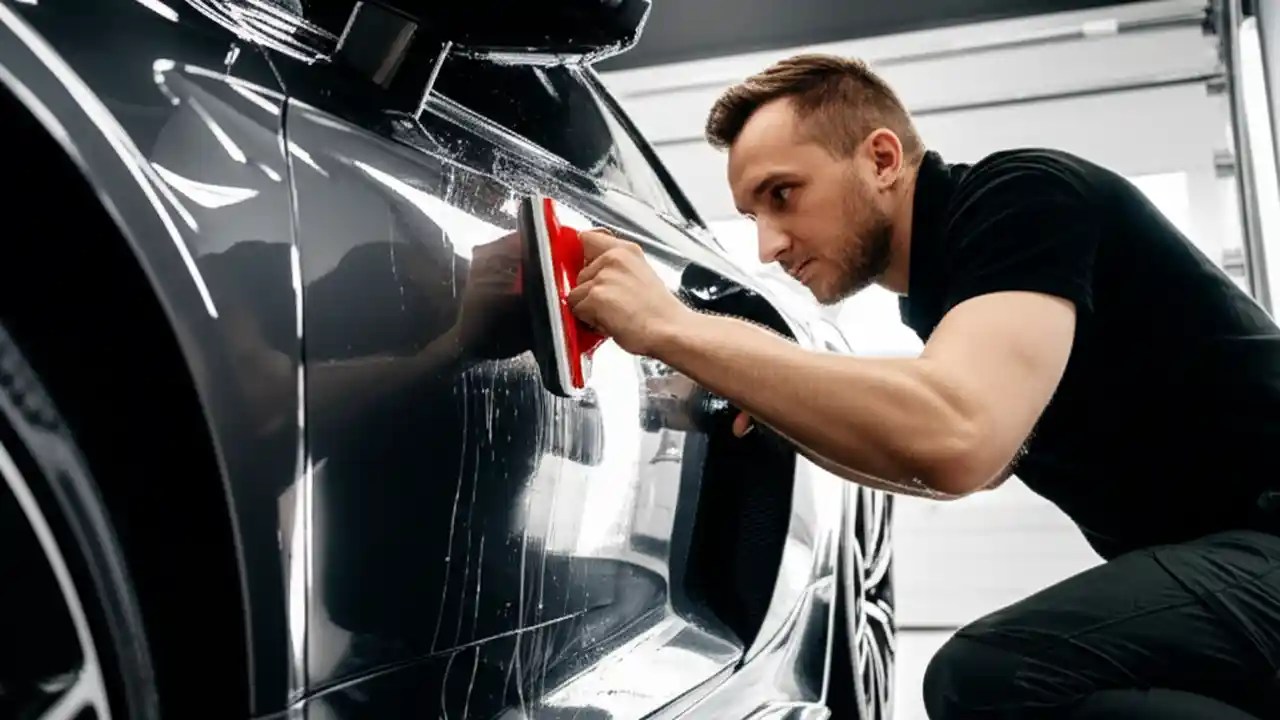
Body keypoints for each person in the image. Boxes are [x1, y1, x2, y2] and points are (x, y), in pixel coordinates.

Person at [566, 53, 1280, 719]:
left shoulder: (1022, 198)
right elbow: (967, 469)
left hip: (1265, 541)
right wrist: (759, 395)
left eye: (783, 194)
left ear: (881, 158)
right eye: (754, 215)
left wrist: (672, 326)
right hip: (1237, 558)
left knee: (993, 675)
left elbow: (958, 440)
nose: (768, 245)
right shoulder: (946, 291)